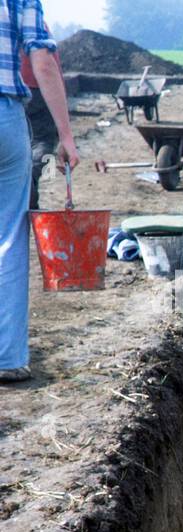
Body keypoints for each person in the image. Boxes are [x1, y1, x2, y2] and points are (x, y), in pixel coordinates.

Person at [1, 0, 77, 384]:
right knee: (10, 238)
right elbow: (43, 60)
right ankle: (8, 357)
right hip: (5, 116)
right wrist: (66, 136)